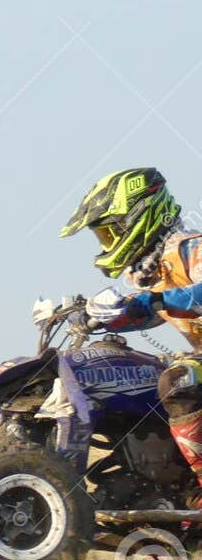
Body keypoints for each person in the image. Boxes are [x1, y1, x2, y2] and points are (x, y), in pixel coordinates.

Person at [64, 167, 202, 503]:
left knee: (178, 381)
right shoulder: (156, 269)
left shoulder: (190, 248)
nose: (108, 243)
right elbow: (146, 312)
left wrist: (154, 300)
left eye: (111, 233)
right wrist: (100, 318)